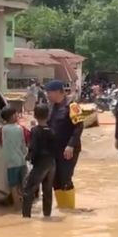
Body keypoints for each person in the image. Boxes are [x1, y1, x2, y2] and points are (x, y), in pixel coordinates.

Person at [45, 80, 84, 209]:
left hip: (69, 149)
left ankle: (70, 208)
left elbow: (79, 126)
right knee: (55, 179)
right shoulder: (52, 107)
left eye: (49, 92)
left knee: (65, 177)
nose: (48, 95)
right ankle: (62, 208)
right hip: (54, 149)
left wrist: (71, 145)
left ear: (58, 92)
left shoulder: (72, 106)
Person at [22, 104, 55, 218]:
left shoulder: (35, 130)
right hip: (51, 163)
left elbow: (33, 147)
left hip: (40, 163)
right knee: (47, 190)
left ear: (35, 116)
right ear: (48, 115)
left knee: (28, 189)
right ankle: (47, 215)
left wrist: (28, 157)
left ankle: (26, 218)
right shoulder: (52, 131)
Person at [0, 106, 29, 207]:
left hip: (11, 162)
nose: (17, 116)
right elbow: (23, 144)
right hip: (21, 160)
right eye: (16, 114)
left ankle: (17, 206)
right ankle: (25, 205)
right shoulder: (19, 128)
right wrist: (26, 154)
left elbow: (1, 142)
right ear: (12, 116)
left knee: (13, 185)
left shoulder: (3, 129)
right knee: (23, 184)